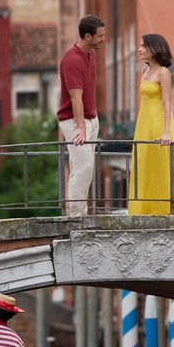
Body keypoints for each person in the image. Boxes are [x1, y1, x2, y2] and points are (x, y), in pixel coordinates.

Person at [128, 33, 174, 216]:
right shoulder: (145, 72)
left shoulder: (163, 72)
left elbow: (167, 102)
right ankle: (141, 209)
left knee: (161, 166)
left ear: (154, 48)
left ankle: (165, 210)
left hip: (160, 123)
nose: (139, 49)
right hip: (144, 123)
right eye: (140, 46)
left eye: (144, 46)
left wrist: (167, 132)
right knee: (143, 163)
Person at [57, 14, 106, 216]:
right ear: (88, 36)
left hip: (90, 119)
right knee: (84, 169)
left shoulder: (90, 54)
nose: (103, 39)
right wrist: (82, 127)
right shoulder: (72, 60)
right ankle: (77, 218)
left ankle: (78, 213)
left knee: (81, 168)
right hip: (73, 121)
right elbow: (75, 98)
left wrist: (93, 120)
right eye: (100, 36)